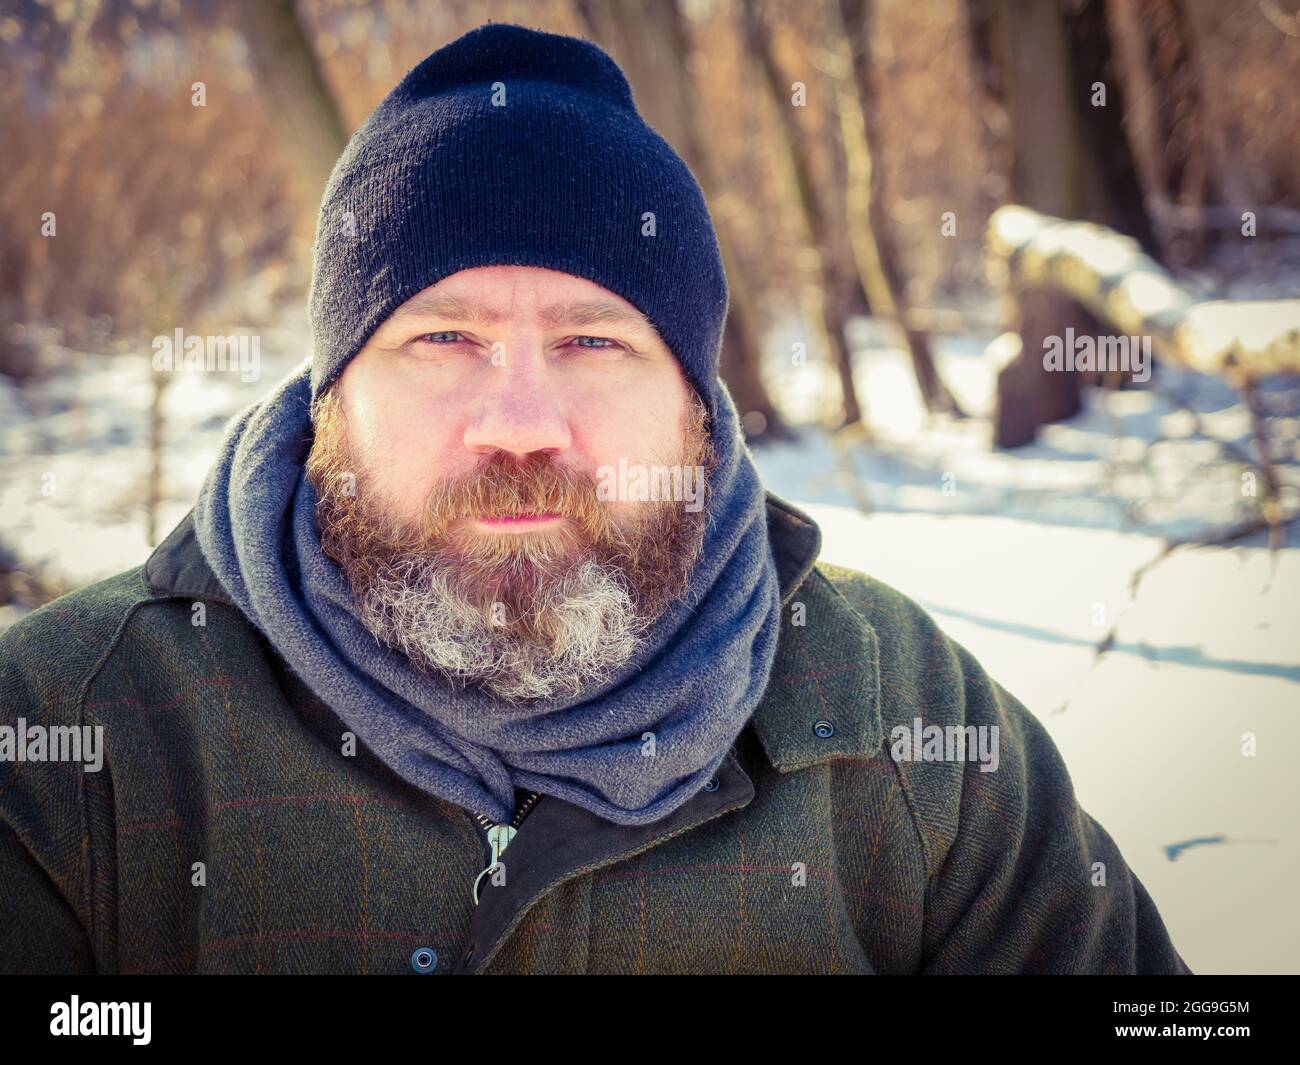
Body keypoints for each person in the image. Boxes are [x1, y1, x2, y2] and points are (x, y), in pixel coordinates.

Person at [0, 23, 1191, 975]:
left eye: (591, 341)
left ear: (697, 405)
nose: (519, 423)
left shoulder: (904, 717)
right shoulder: (71, 739)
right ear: (329, 397)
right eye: (442, 336)